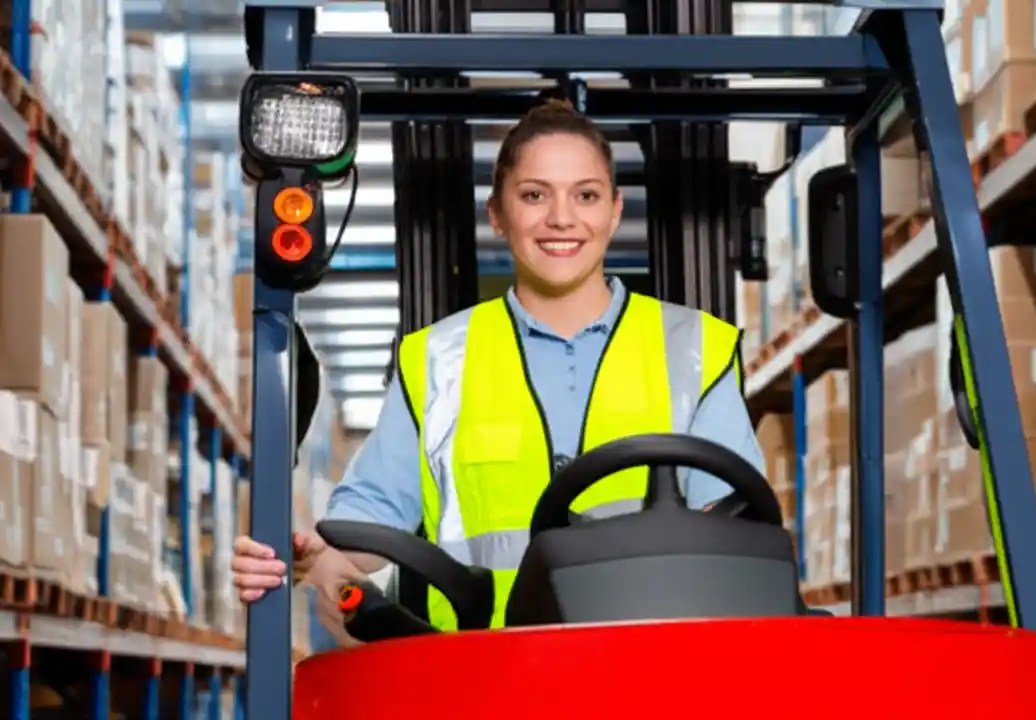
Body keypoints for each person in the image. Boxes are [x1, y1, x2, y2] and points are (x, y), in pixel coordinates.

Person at [231, 98, 766, 645]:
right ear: (497, 214)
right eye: (534, 195)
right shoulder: (439, 358)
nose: (562, 217)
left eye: (585, 195)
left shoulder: (694, 348)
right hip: (483, 676)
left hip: (653, 669)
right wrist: (313, 556)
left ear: (614, 211)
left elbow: (734, 527)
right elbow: (373, 518)